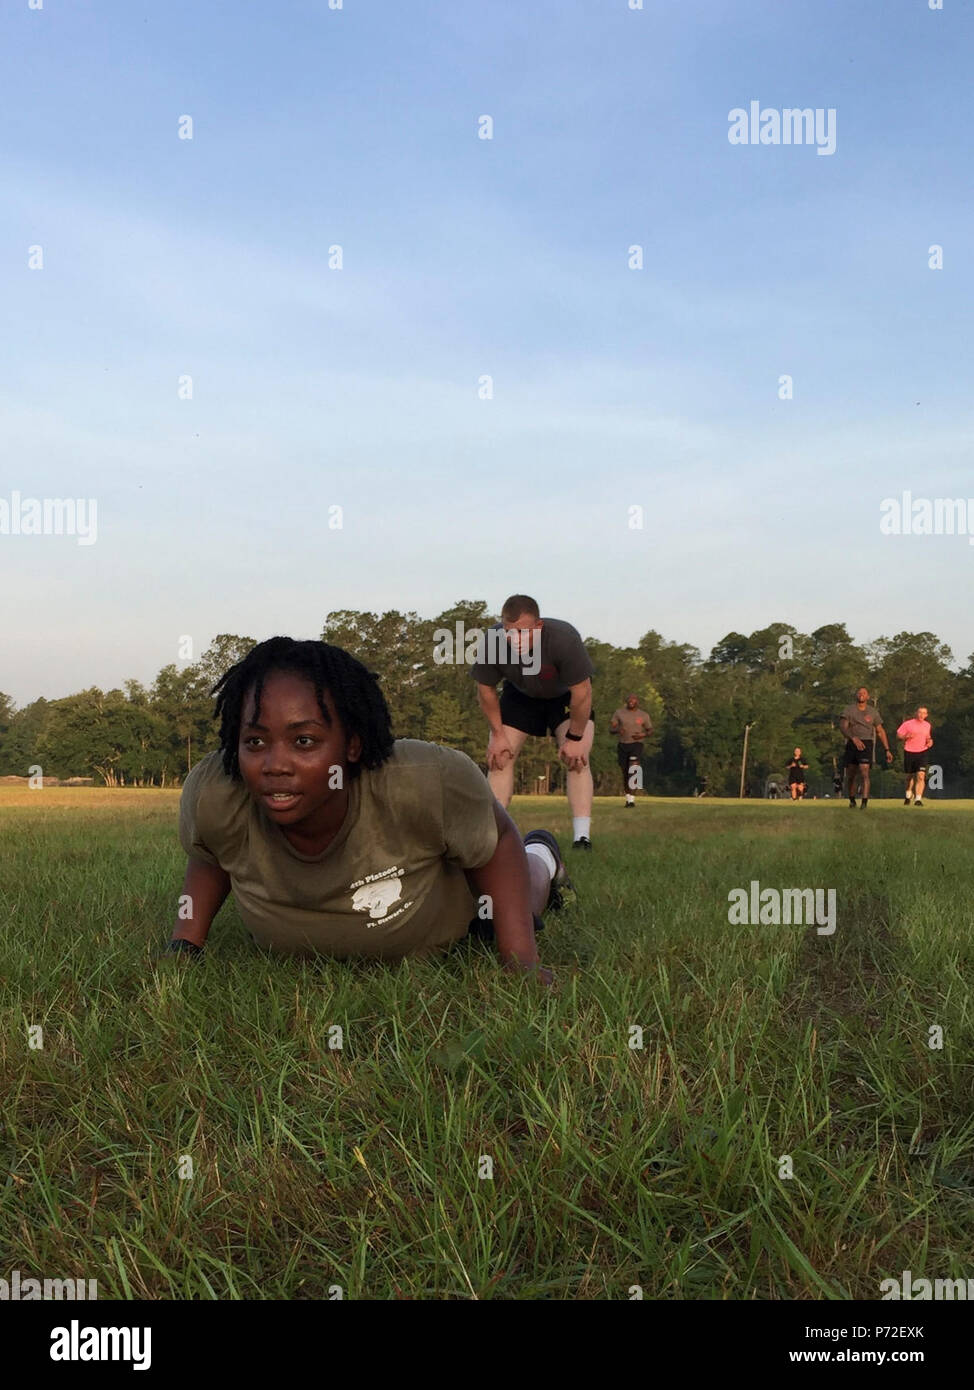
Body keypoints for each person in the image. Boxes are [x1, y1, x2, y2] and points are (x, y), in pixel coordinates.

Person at [163, 637, 573, 984]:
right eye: (254, 741)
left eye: (304, 741)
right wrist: (185, 944)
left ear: (352, 745)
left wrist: (520, 959)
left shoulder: (422, 779)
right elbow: (212, 850)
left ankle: (543, 856)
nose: (274, 764)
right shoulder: (215, 791)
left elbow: (497, 838)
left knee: (525, 886)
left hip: (456, 920)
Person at [470, 595, 596, 850]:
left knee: (577, 759)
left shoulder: (563, 639)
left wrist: (574, 738)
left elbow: (582, 693)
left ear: (538, 627)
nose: (514, 640)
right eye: (508, 632)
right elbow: (485, 690)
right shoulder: (493, 641)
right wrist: (497, 735)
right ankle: (491, 835)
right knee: (499, 757)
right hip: (521, 696)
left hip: (563, 697)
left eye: (522, 633)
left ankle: (581, 837)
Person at [838, 687, 893, 808]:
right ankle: (852, 800)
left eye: (864, 693)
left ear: (868, 697)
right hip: (852, 743)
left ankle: (864, 801)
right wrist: (853, 738)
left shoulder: (873, 712)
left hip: (866, 743)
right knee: (851, 774)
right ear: (856, 695)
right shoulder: (849, 710)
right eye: (859, 693)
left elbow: (880, 731)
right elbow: (843, 727)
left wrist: (887, 750)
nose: (861, 694)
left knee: (864, 771)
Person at [609, 694, 653, 806]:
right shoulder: (619, 713)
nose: (631, 701)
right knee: (625, 772)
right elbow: (611, 729)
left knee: (634, 769)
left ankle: (632, 800)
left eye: (633, 699)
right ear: (626, 700)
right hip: (623, 745)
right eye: (629, 699)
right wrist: (618, 730)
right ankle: (628, 799)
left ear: (637, 701)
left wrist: (643, 735)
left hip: (636, 744)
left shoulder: (643, 715)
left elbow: (650, 730)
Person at [896, 705, 933, 806]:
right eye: (920, 712)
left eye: (924, 713)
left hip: (922, 752)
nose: (921, 715)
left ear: (926, 715)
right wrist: (905, 736)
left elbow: (928, 737)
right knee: (909, 776)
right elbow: (898, 735)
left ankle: (918, 799)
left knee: (921, 776)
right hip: (909, 751)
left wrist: (930, 741)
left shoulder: (927, 725)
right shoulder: (908, 724)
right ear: (916, 713)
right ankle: (908, 795)